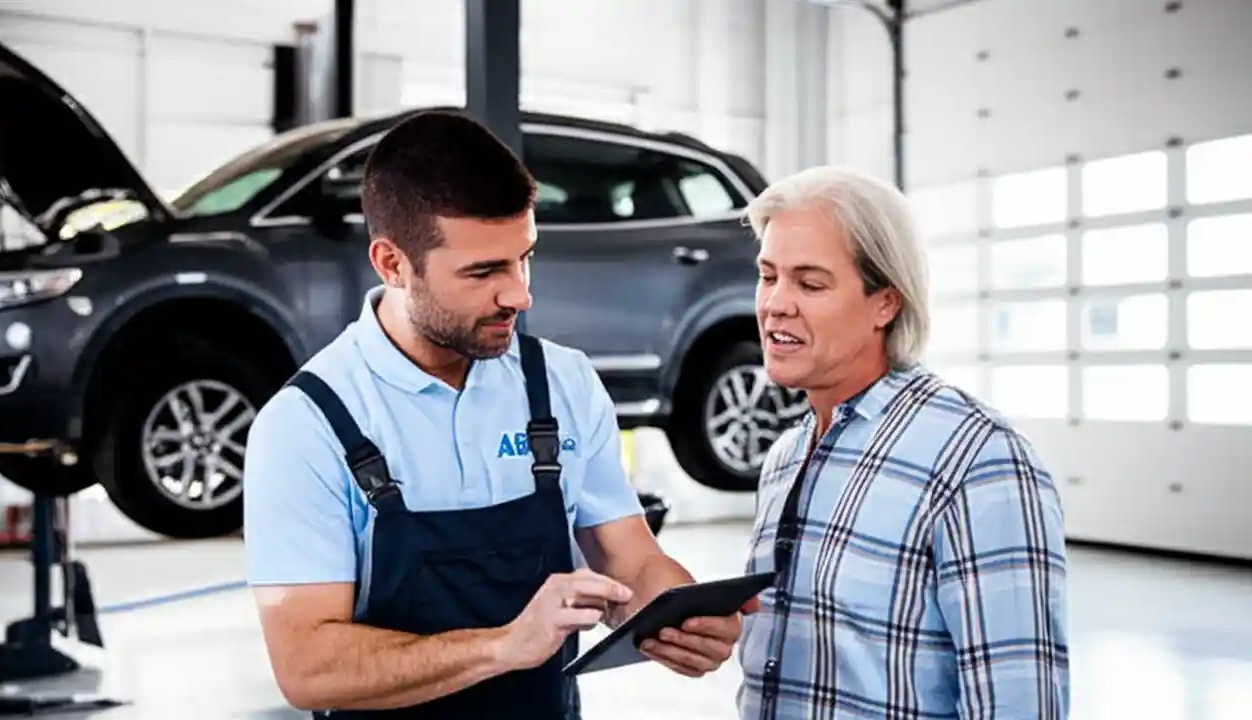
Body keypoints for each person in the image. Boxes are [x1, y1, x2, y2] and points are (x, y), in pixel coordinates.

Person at [241, 111, 751, 719]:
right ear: (392, 264)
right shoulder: (308, 425)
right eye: (483, 272)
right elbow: (308, 666)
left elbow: (631, 559)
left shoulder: (561, 384)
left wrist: (676, 611)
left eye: (523, 258)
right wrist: (505, 646)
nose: (519, 294)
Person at [736, 166, 1070, 719]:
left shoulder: (977, 459)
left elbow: (1020, 702)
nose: (775, 304)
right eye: (768, 276)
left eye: (810, 283)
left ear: (885, 303)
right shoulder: (785, 459)